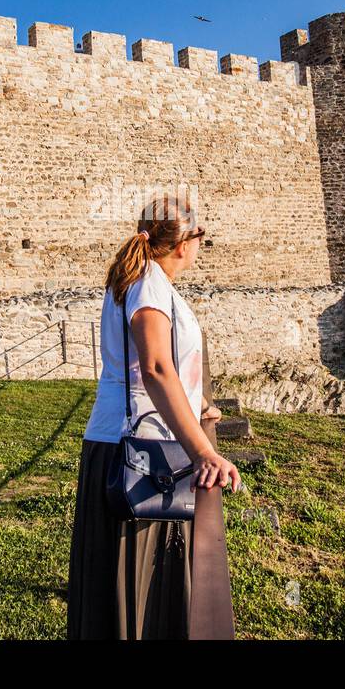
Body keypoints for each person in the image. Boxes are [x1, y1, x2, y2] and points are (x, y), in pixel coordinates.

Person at [66, 194, 241, 640]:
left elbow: (160, 368)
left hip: (145, 443)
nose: (202, 246)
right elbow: (155, 368)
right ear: (184, 241)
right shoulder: (148, 283)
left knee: (148, 579)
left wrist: (197, 403)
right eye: (201, 236)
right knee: (135, 583)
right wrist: (203, 451)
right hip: (137, 451)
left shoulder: (150, 281)